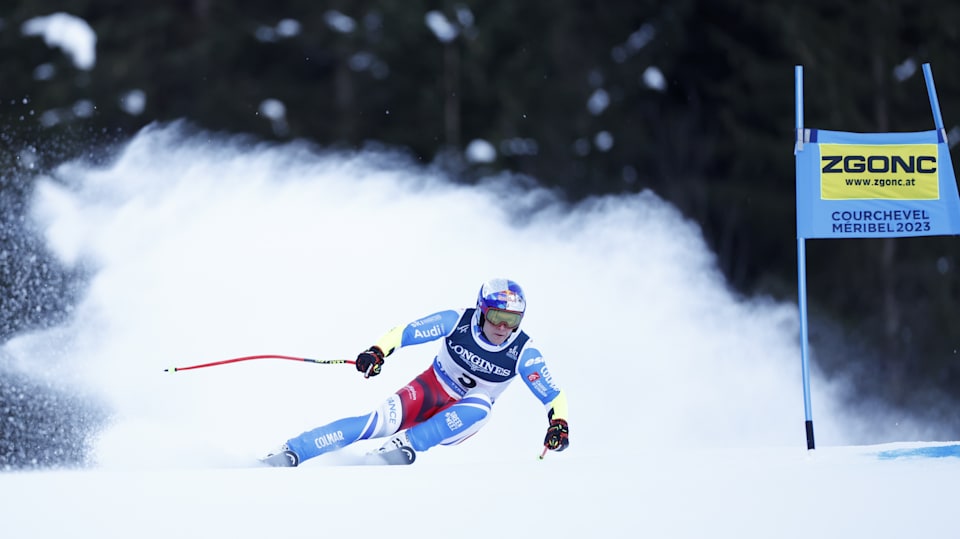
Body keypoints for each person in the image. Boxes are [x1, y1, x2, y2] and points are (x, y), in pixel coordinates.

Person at [261, 278, 569, 466]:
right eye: (497, 317)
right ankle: (292, 451)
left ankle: (407, 445)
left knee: (483, 407)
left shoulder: (525, 352)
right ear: (481, 311)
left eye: (512, 320)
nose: (503, 328)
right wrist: (377, 352)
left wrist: (559, 424)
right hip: (430, 388)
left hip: (463, 415)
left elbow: (553, 396)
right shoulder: (457, 320)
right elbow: (405, 333)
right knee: (374, 424)